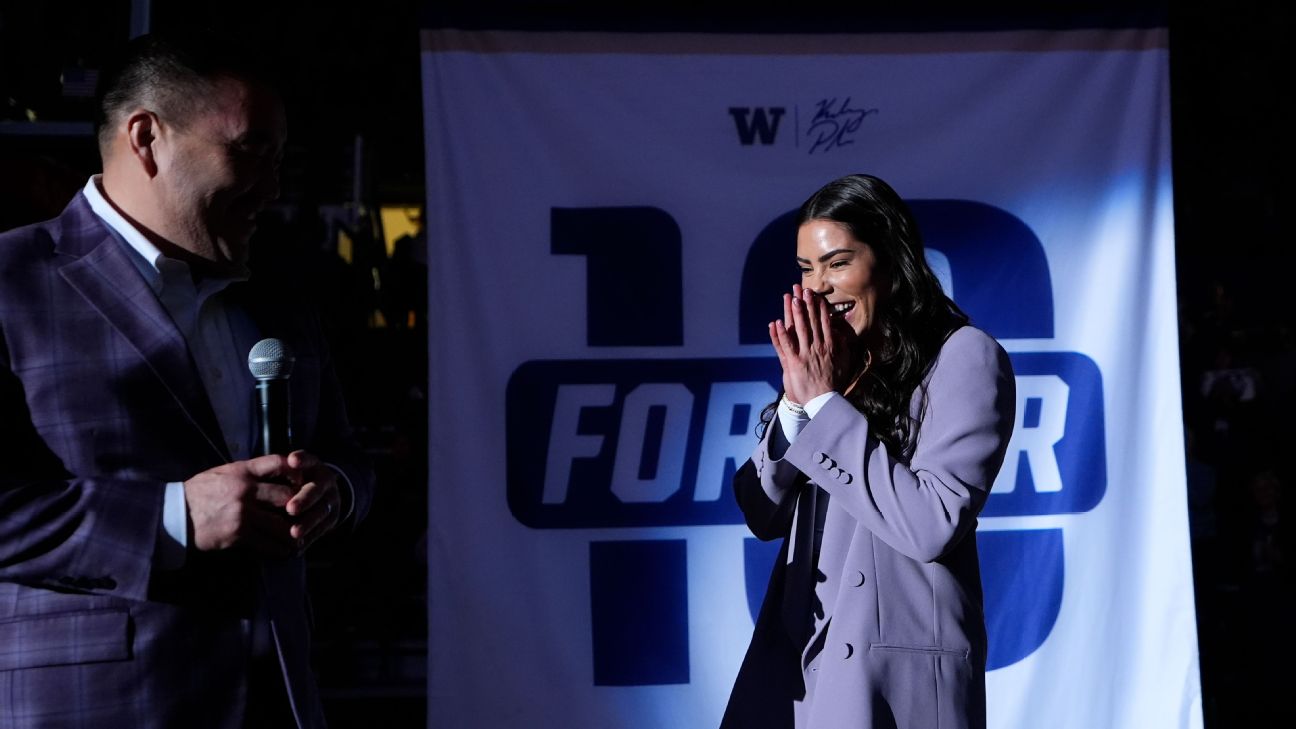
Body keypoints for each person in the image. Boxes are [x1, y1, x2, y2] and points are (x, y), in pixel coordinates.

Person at [0, 33, 373, 728]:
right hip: (97, 706)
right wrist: (175, 516)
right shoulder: (11, 281)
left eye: (279, 158)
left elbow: (347, 453)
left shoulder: (281, 292)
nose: (272, 184)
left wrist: (337, 491)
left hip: (281, 698)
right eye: (251, 151)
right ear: (147, 138)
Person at [721, 174, 1015, 729]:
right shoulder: (830, 364)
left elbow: (931, 524)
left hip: (892, 689)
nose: (820, 287)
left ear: (891, 260)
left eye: (838, 263)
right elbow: (761, 513)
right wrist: (794, 404)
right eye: (807, 269)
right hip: (796, 681)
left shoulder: (964, 358)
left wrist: (825, 404)